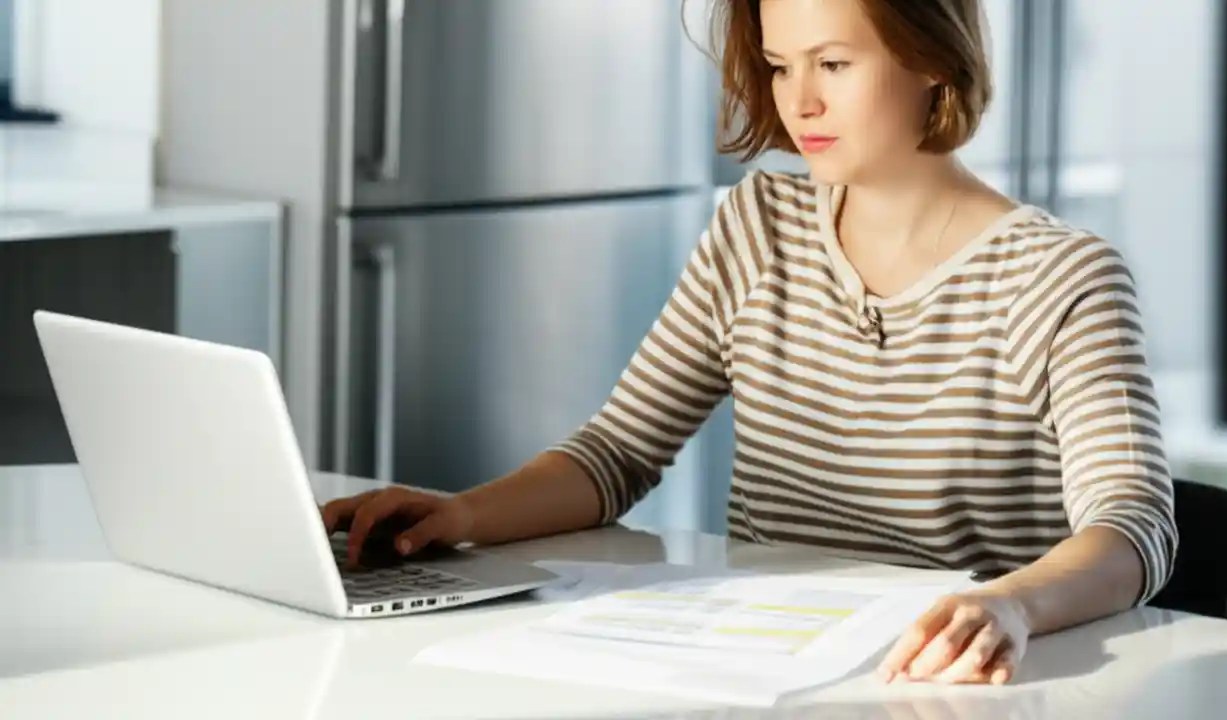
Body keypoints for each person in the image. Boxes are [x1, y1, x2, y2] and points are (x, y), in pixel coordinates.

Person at [321, 0, 1177, 686]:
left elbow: (1132, 526)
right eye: (779, 65)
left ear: (931, 57)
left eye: (834, 64)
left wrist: (1010, 607)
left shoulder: (1063, 277)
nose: (798, 101)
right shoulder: (756, 224)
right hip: (762, 671)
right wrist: (463, 514)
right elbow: (618, 450)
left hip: (936, 688)